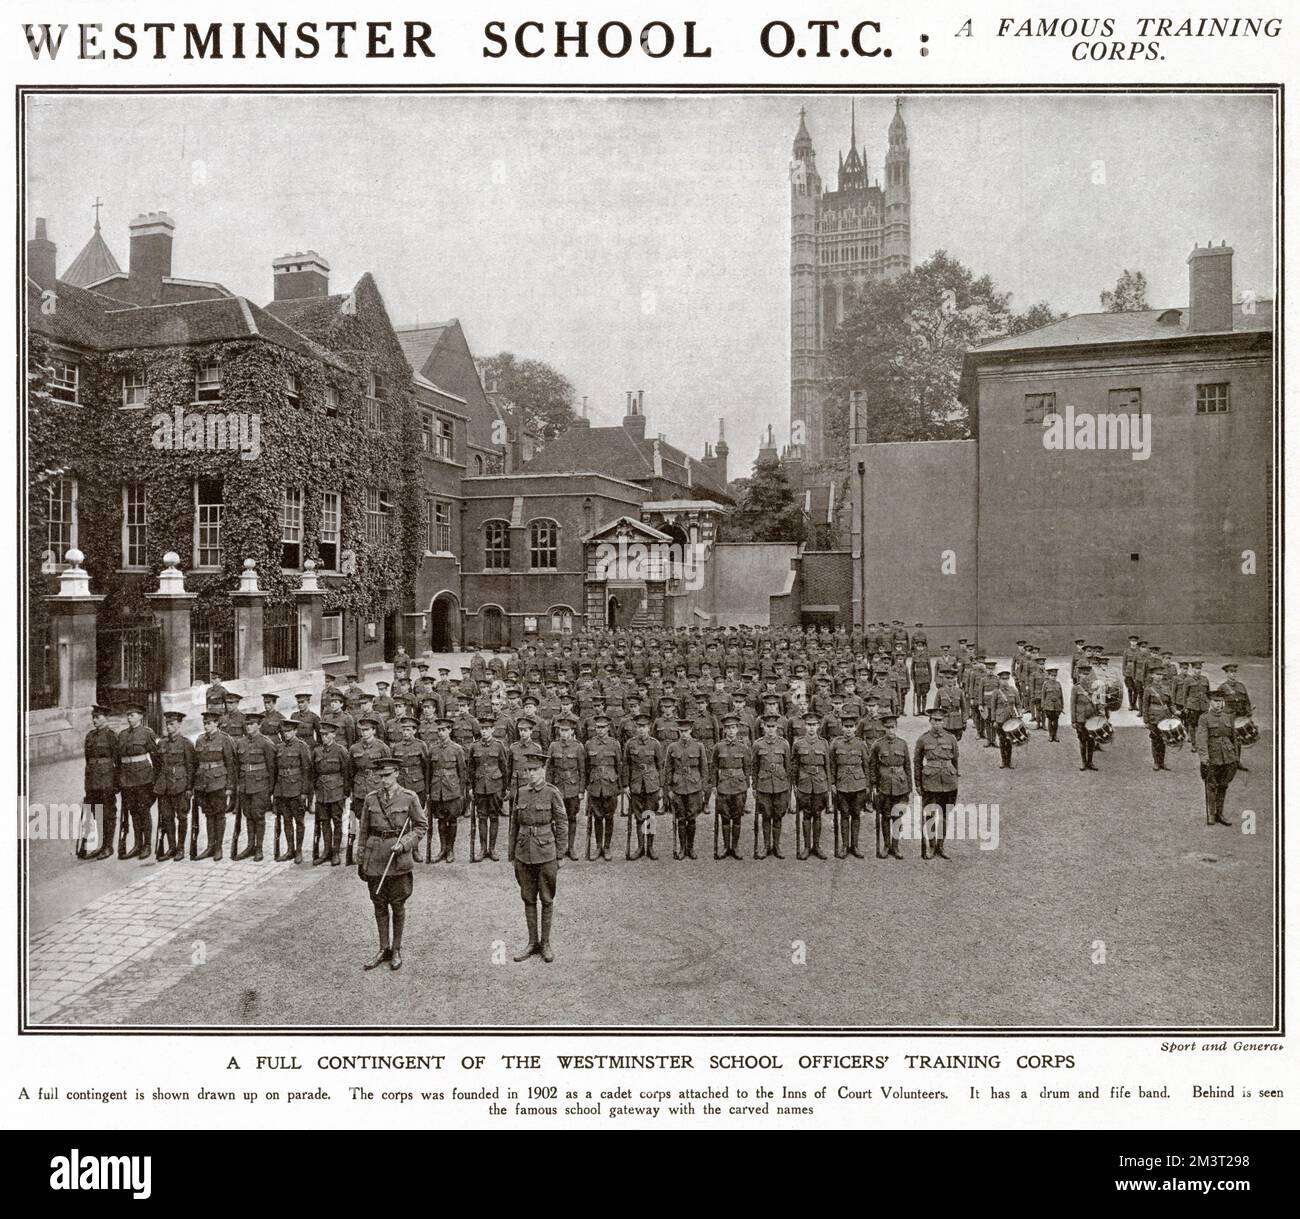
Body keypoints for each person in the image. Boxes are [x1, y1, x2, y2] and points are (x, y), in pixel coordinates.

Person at [357, 756, 426, 972]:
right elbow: (364, 830)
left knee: (397, 905)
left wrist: (405, 843)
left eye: (387, 775)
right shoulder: (370, 799)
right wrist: (361, 859)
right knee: (379, 905)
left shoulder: (409, 797)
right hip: (375, 856)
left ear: (397, 773)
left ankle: (396, 949)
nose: (384, 780)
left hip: (397, 860)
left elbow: (421, 826)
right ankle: (382, 948)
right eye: (381, 776)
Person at [509, 745, 566, 963]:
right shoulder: (521, 792)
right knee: (528, 897)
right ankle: (532, 942)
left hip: (546, 851)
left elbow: (561, 823)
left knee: (547, 898)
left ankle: (546, 943)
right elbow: (514, 823)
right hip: (524, 852)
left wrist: (560, 854)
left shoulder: (552, 793)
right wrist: (512, 853)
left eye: (535, 770)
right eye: (528, 770)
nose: (530, 774)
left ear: (543, 770)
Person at [116, 703, 160, 860]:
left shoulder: (147, 733)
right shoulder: (121, 735)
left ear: (140, 717)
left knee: (143, 810)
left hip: (143, 778)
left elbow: (156, 758)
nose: (129, 717)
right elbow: (118, 759)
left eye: (132, 715)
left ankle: (147, 845)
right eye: (128, 715)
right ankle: (137, 844)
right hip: (127, 779)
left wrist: (155, 780)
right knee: (133, 811)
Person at [192, 708, 236, 861]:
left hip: (219, 782)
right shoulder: (200, 740)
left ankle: (218, 848)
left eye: (209, 723)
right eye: (205, 723)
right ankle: (210, 846)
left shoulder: (225, 739)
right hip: (204, 783)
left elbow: (231, 764)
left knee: (219, 815)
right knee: (208, 814)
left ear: (217, 723)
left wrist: (230, 786)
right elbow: (196, 763)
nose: (206, 727)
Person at [914, 708, 958, 860]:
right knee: (930, 815)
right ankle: (932, 845)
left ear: (944, 721)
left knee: (945, 815)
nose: (937, 724)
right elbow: (917, 763)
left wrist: (954, 779)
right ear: (930, 721)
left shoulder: (951, 739)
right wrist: (918, 784)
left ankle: (941, 845)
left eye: (940, 721)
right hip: (930, 782)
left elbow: (955, 761)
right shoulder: (923, 739)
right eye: (934, 720)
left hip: (948, 782)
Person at [234, 712, 278, 861]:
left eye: (252, 724)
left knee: (258, 815)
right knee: (248, 815)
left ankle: (259, 848)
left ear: (259, 725)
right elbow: (237, 765)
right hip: (245, 784)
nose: (249, 727)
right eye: (247, 724)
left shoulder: (266, 743)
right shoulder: (240, 743)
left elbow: (272, 767)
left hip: (261, 785)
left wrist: (271, 789)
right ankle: (250, 846)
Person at [153, 710, 195, 861]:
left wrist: (189, 788)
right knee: (167, 817)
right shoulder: (162, 743)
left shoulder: (186, 744)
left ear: (179, 725)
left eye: (172, 724)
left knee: (181, 817)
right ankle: (171, 847)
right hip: (164, 785)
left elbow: (191, 767)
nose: (168, 727)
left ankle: (181, 848)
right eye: (167, 724)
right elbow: (157, 766)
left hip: (180, 785)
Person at [665, 717, 709, 860]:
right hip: (678, 787)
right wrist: (670, 789)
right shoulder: (672, 747)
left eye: (686, 731)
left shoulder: (699, 746)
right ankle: (682, 848)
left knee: (692, 818)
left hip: (694, 786)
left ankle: (691, 847)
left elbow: (704, 769)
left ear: (690, 730)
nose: (684, 734)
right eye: (681, 731)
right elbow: (668, 769)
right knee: (681, 818)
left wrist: (703, 788)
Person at [869, 713, 912, 859]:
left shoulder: (903, 743)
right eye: (887, 728)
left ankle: (895, 846)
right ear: (884, 728)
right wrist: (874, 785)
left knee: (897, 816)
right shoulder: (877, 745)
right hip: (884, 785)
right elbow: (872, 767)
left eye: (893, 727)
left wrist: (909, 788)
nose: (890, 731)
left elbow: (908, 766)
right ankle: (886, 845)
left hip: (900, 785)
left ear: (896, 727)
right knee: (886, 816)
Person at [80, 704, 120, 861]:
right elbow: (88, 759)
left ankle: (108, 846)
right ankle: (99, 845)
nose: (95, 720)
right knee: (96, 813)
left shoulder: (112, 736)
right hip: (92, 781)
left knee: (108, 813)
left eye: (98, 717)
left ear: (106, 718)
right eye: (93, 717)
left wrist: (115, 783)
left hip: (107, 780)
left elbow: (117, 761)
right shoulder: (89, 736)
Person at [829, 711, 870, 858]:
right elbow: (832, 765)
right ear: (841, 728)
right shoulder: (835, 743)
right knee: (844, 815)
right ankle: (845, 846)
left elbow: (867, 766)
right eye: (845, 726)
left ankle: (855, 846)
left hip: (858, 785)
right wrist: (832, 783)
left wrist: (867, 785)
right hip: (841, 785)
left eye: (851, 726)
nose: (848, 729)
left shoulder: (861, 744)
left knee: (856, 815)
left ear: (855, 728)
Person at [1195, 689, 1239, 827]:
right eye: (1216, 701)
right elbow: (1201, 739)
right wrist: (1204, 757)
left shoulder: (1228, 717)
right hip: (1213, 756)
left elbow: (1234, 738)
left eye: (1220, 701)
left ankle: (1220, 814)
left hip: (1228, 756)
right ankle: (1211, 814)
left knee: (1224, 785)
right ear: (1210, 702)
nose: (1219, 704)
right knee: (1211, 785)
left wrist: (1236, 757)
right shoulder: (1204, 718)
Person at [273, 717, 314, 862]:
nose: (286, 734)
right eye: (284, 732)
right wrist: (276, 792)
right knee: (287, 820)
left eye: (289, 731)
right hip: (283, 789)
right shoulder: (279, 747)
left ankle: (299, 851)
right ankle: (290, 849)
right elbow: (275, 770)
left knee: (299, 821)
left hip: (297, 789)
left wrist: (305, 792)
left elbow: (307, 771)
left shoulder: (302, 746)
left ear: (295, 731)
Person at [545, 714, 586, 861]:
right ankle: (559, 848)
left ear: (572, 731)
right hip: (557, 788)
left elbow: (582, 770)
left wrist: (581, 790)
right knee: (556, 819)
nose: (563, 733)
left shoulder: (578, 747)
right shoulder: (553, 746)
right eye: (561, 730)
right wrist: (548, 788)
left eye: (566, 730)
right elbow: (549, 769)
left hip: (573, 788)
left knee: (572, 818)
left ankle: (571, 847)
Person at [469, 716, 510, 861]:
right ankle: (482, 849)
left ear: (493, 730)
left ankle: (492, 849)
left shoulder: (499, 745)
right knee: (481, 817)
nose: (485, 731)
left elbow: (504, 768)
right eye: (483, 729)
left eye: (487, 729)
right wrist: (471, 788)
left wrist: (506, 788)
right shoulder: (474, 746)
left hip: (495, 786)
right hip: (480, 786)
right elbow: (471, 769)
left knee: (494, 817)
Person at [425, 716, 466, 862]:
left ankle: (450, 850)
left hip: (452, 790)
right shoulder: (432, 749)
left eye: (443, 730)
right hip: (437, 789)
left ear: (450, 730)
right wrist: (429, 792)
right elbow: (429, 772)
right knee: (441, 821)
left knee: (452, 820)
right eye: (439, 730)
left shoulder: (457, 749)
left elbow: (462, 773)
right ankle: (442, 849)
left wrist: (462, 794)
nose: (440, 733)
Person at [623, 712, 663, 860]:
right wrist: (626, 785)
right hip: (636, 784)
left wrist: (661, 787)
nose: (641, 729)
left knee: (650, 815)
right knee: (639, 816)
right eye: (639, 726)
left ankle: (650, 847)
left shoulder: (655, 744)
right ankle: (640, 847)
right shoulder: (630, 744)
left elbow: (660, 766)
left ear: (649, 727)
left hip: (651, 784)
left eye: (644, 726)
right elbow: (626, 765)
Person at [751, 714, 792, 859]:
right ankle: (766, 845)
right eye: (768, 727)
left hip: (780, 785)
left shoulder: (784, 744)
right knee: (766, 815)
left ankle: (776, 846)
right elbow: (754, 767)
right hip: (764, 785)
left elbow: (788, 767)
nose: (770, 730)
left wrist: (788, 787)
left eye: (773, 727)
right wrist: (754, 786)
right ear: (763, 727)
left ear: (777, 728)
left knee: (778, 815)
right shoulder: (758, 744)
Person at [792, 711, 831, 860]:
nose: (811, 728)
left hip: (820, 783)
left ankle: (817, 846)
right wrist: (794, 785)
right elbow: (794, 766)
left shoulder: (824, 743)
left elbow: (827, 766)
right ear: (804, 726)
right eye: (809, 725)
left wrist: (828, 785)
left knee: (818, 814)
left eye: (814, 725)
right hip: (804, 784)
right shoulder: (798, 743)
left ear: (819, 726)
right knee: (806, 815)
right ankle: (807, 847)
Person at [584, 713, 622, 861]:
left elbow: (619, 766)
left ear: (608, 728)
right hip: (595, 785)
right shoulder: (589, 744)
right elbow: (586, 766)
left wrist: (619, 786)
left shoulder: (614, 744)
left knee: (609, 817)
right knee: (597, 817)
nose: (600, 730)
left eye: (603, 727)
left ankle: (607, 847)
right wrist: (588, 785)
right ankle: (598, 846)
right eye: (597, 727)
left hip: (610, 785)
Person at [312, 719, 351, 866]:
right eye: (322, 735)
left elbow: (347, 773)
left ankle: (335, 852)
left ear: (334, 735)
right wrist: (315, 790)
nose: (324, 737)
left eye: (327, 734)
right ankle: (326, 851)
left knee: (337, 821)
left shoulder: (341, 750)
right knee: (324, 822)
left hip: (336, 791)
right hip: (322, 791)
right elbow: (314, 773)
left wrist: (346, 792)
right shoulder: (317, 751)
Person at [712, 713, 749, 861]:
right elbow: (714, 768)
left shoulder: (743, 747)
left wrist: (746, 785)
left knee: (737, 817)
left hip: (739, 786)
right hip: (723, 785)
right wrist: (714, 786)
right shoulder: (718, 747)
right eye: (728, 728)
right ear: (725, 730)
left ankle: (735, 846)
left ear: (737, 729)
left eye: (733, 727)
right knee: (725, 817)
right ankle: (726, 846)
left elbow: (747, 768)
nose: (731, 731)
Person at [1142, 670, 1175, 772]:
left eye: (1161, 675)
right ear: (1152, 675)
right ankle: (1156, 762)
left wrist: (1175, 711)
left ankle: (1162, 762)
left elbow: (1171, 704)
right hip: (1154, 719)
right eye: (1157, 674)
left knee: (1164, 740)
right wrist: (1146, 721)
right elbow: (1145, 706)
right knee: (1155, 740)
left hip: (1165, 718)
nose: (1159, 677)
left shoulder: (1166, 688)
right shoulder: (1148, 689)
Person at [1071, 664, 1101, 772]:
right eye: (1083, 674)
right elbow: (1073, 705)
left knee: (1092, 740)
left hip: (1092, 718)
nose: (1085, 676)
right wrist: (1073, 720)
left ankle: (1090, 762)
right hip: (1081, 719)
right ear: (1079, 675)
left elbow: (1098, 702)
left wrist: (1100, 714)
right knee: (1083, 740)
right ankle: (1084, 762)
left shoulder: (1094, 687)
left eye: (1087, 674)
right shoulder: (1076, 688)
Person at [1040, 666, 1063, 743]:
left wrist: (1061, 706)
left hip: (1057, 706)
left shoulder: (1058, 684)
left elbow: (1061, 696)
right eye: (1052, 675)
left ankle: (1055, 735)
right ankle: (1050, 735)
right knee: (1050, 721)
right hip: (1049, 706)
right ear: (1048, 676)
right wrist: (1043, 706)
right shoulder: (1045, 684)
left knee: (1056, 721)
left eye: (1055, 676)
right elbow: (1043, 696)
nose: (1053, 677)